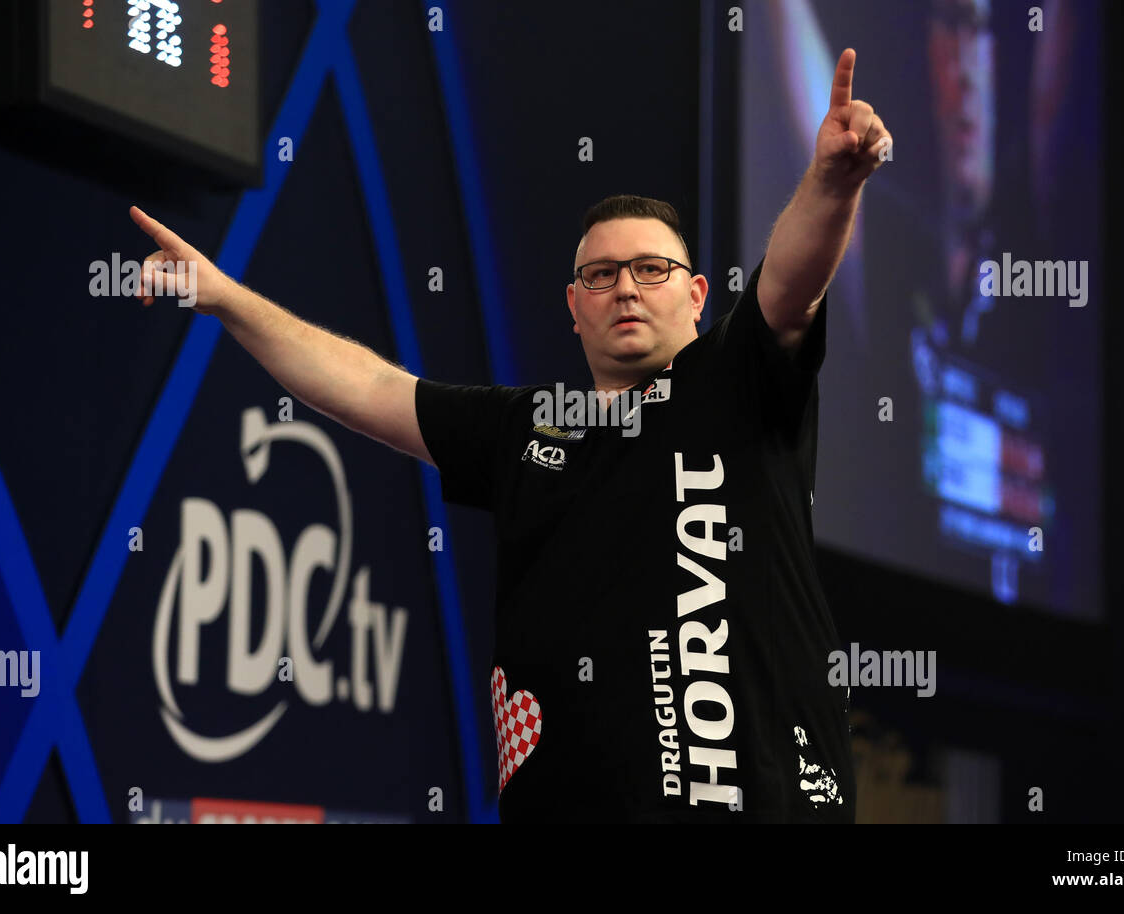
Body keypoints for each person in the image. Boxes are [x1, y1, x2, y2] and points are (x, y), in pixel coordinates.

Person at [130, 48, 890, 823]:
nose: (625, 286)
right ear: (572, 305)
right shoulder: (526, 430)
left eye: (651, 269)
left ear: (697, 295)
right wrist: (225, 298)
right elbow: (368, 388)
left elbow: (791, 287)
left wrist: (833, 180)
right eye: (600, 275)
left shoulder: (738, 383)